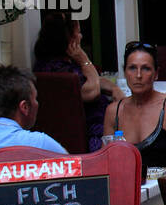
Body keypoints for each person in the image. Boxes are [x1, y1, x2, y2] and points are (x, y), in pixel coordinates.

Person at [33, 12, 121, 152]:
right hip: (89, 132)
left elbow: (95, 80)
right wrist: (84, 59)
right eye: (78, 32)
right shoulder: (56, 68)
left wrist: (115, 89)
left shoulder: (64, 63)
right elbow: (92, 91)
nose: (81, 36)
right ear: (67, 38)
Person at [104, 42, 166, 172]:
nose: (138, 75)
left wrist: (154, 181)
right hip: (127, 188)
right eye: (132, 68)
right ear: (125, 72)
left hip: (165, 187)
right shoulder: (113, 111)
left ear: (156, 74)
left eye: (146, 68)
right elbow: (106, 159)